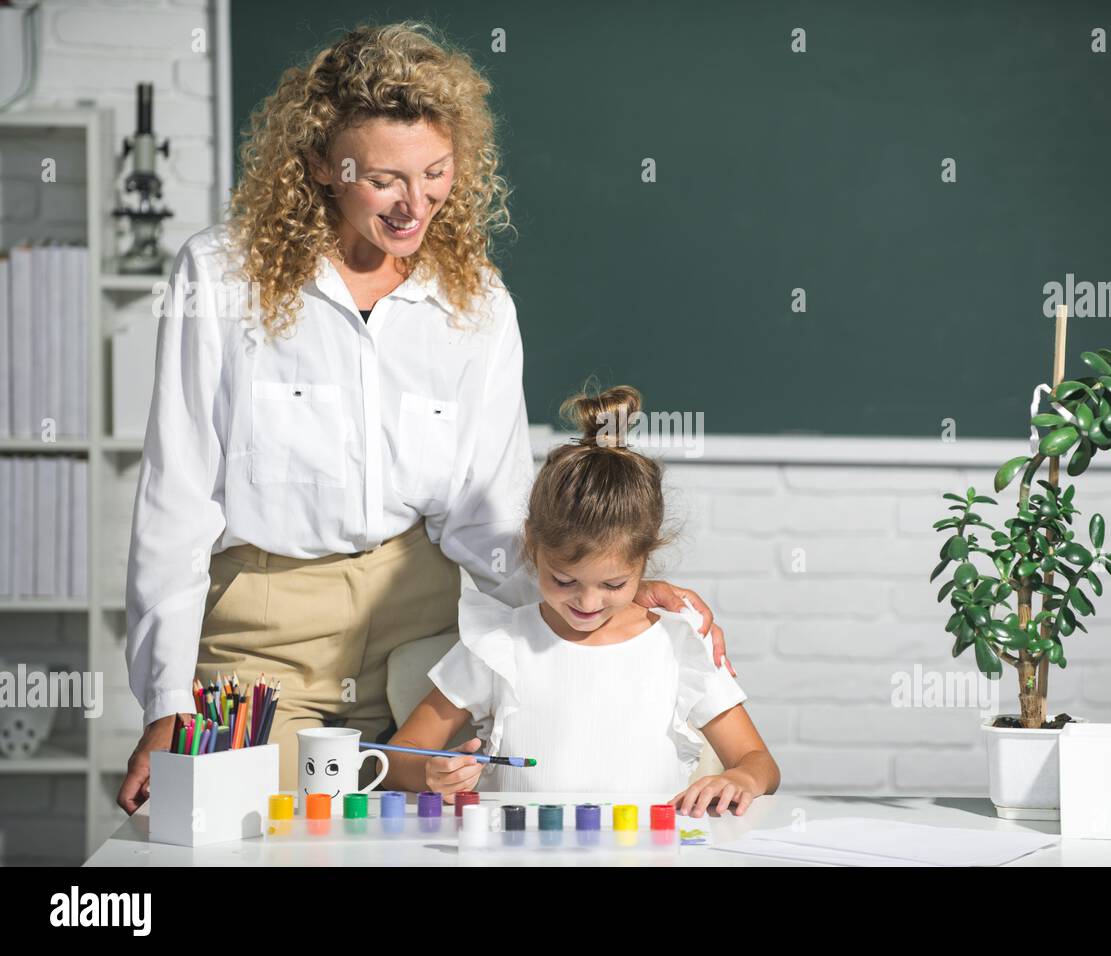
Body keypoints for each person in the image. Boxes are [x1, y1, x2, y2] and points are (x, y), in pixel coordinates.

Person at [116, 22, 728, 812]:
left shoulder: (475, 300)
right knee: (249, 831)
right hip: (263, 634)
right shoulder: (220, 274)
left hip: (423, 630)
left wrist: (606, 591)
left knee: (419, 837)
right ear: (319, 167)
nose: (416, 205)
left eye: (436, 173)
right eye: (384, 180)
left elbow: (493, 508)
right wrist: (165, 700)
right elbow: (178, 496)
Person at [384, 386, 779, 817]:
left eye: (612, 585)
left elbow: (759, 764)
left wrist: (739, 778)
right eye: (564, 580)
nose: (588, 602)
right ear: (532, 546)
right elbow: (399, 757)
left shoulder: (678, 644)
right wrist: (430, 772)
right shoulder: (498, 643)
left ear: (644, 560)